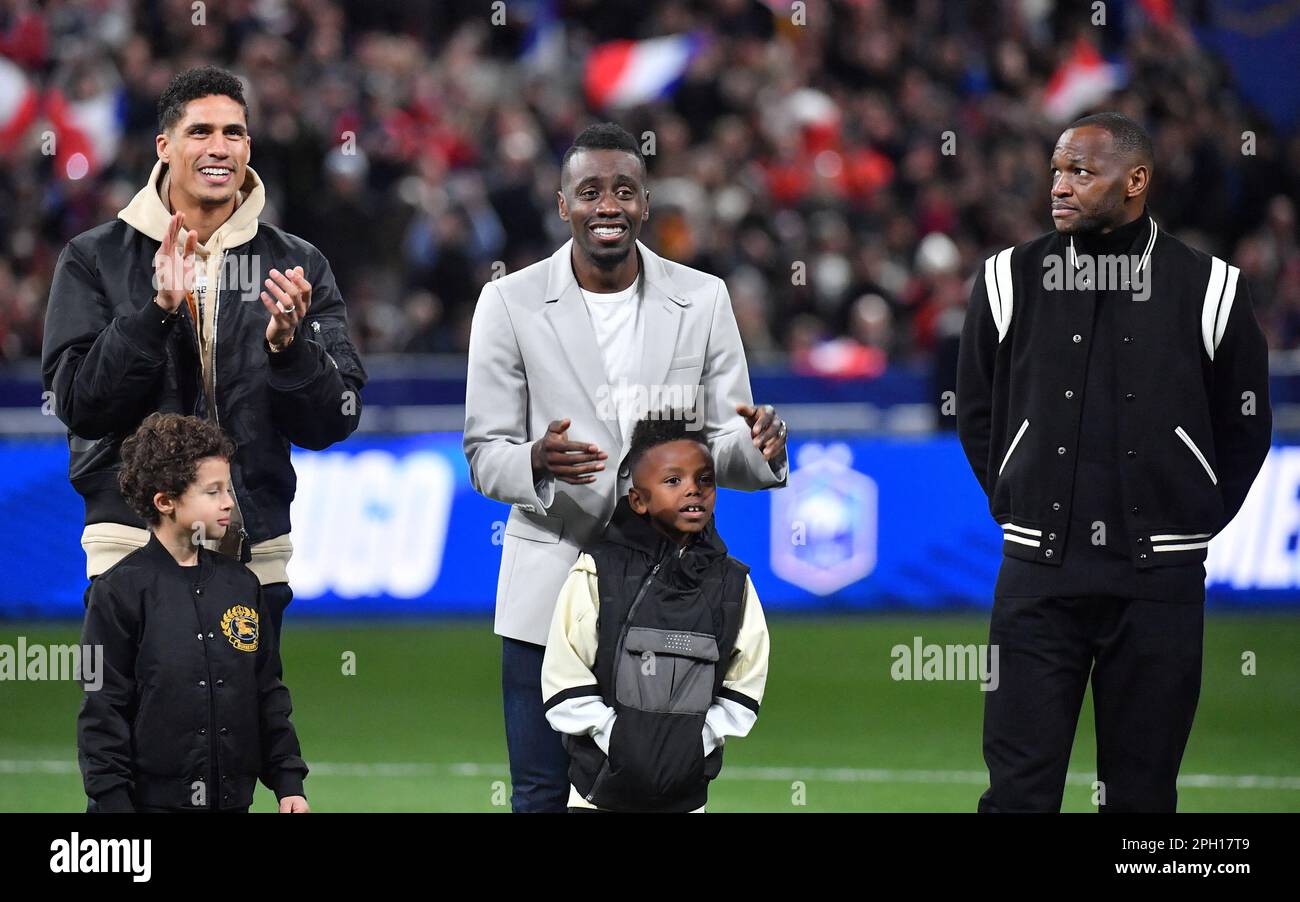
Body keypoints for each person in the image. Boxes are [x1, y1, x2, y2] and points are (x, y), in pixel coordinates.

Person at [463, 122, 788, 812]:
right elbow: (484, 454)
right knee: (541, 795)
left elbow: (721, 443)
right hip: (548, 594)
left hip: (666, 598)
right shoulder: (509, 302)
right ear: (562, 204)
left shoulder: (702, 298)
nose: (606, 205)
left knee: (658, 792)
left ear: (646, 204)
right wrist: (535, 462)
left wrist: (759, 453)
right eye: (589, 191)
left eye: (623, 190)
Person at [956, 112, 1272, 812]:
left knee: (1142, 797)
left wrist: (1189, 520)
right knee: (1017, 795)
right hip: (1036, 579)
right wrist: (1020, 501)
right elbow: (977, 414)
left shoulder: (1212, 286)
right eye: (1056, 172)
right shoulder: (1007, 278)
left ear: (1136, 180)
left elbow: (1245, 427)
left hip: (1160, 583)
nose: (1060, 187)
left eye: (1081, 172)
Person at [41, 66, 367, 651]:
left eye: (235, 133)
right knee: (127, 730)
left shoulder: (298, 264)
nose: (220, 147)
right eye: (201, 131)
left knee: (248, 734)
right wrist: (155, 312)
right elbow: (81, 406)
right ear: (164, 146)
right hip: (131, 540)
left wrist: (290, 353)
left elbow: (335, 418)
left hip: (252, 548)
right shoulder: (93, 257)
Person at [78, 413, 309, 813]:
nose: (227, 502)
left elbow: (267, 693)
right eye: (212, 491)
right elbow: (103, 708)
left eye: (228, 488)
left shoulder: (241, 585)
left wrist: (289, 783)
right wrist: (113, 799)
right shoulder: (117, 591)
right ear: (165, 501)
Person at [541, 412, 770, 812]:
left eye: (704, 479)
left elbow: (746, 679)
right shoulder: (597, 570)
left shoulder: (734, 583)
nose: (693, 491)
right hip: (596, 794)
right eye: (672, 481)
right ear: (638, 500)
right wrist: (618, 739)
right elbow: (564, 673)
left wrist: (698, 742)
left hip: (686, 798)